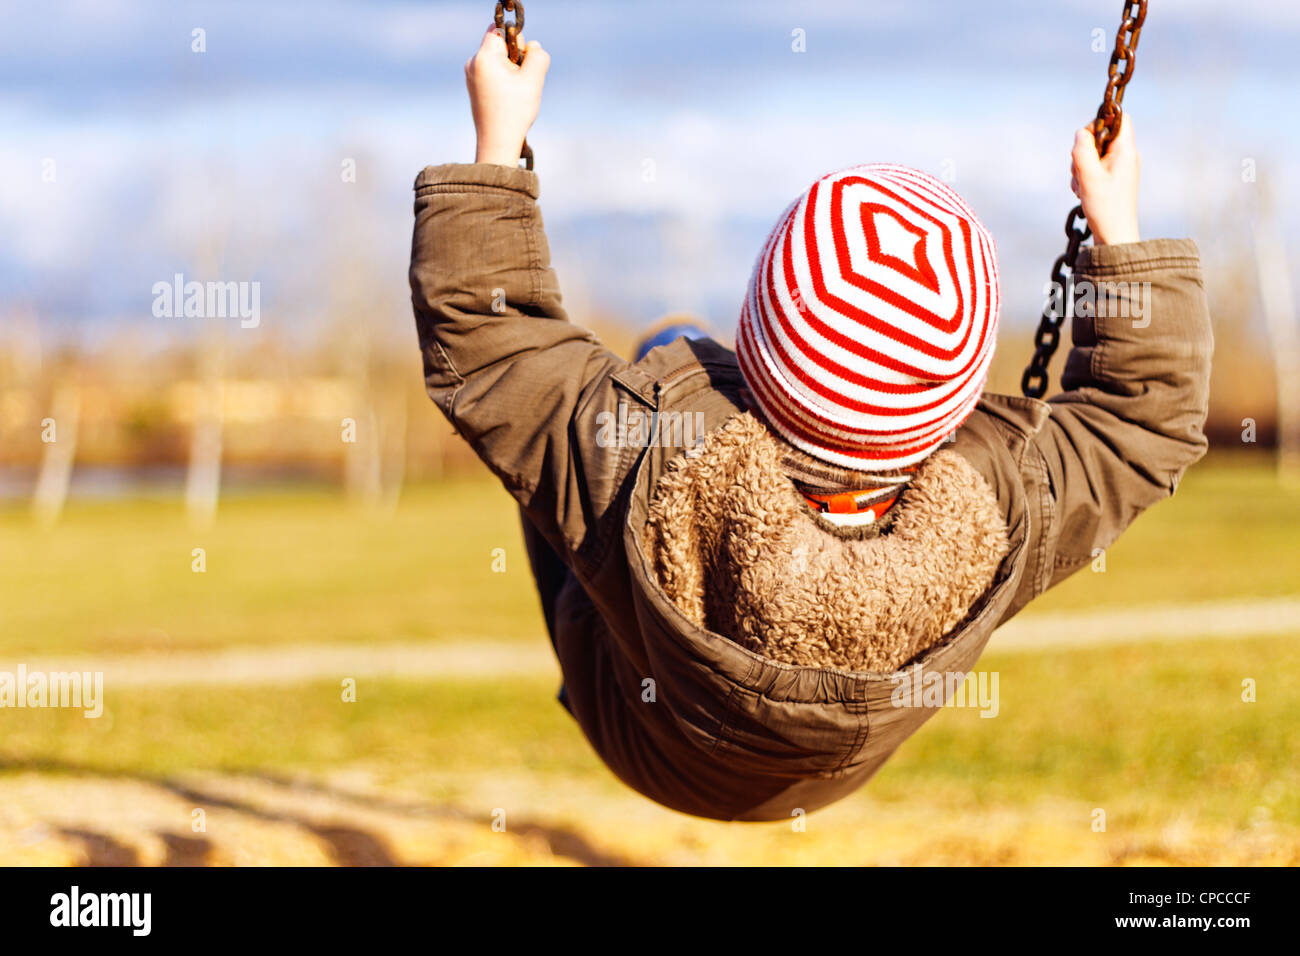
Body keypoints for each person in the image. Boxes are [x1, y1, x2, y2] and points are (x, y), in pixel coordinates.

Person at [407, 25, 1213, 820]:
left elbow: (489, 347)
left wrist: (498, 141)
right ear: (953, 398)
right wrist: (1118, 233)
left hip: (641, 733)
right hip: (826, 777)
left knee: (599, 408)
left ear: (757, 330)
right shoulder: (997, 507)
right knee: (568, 432)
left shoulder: (654, 456)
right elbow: (1143, 422)